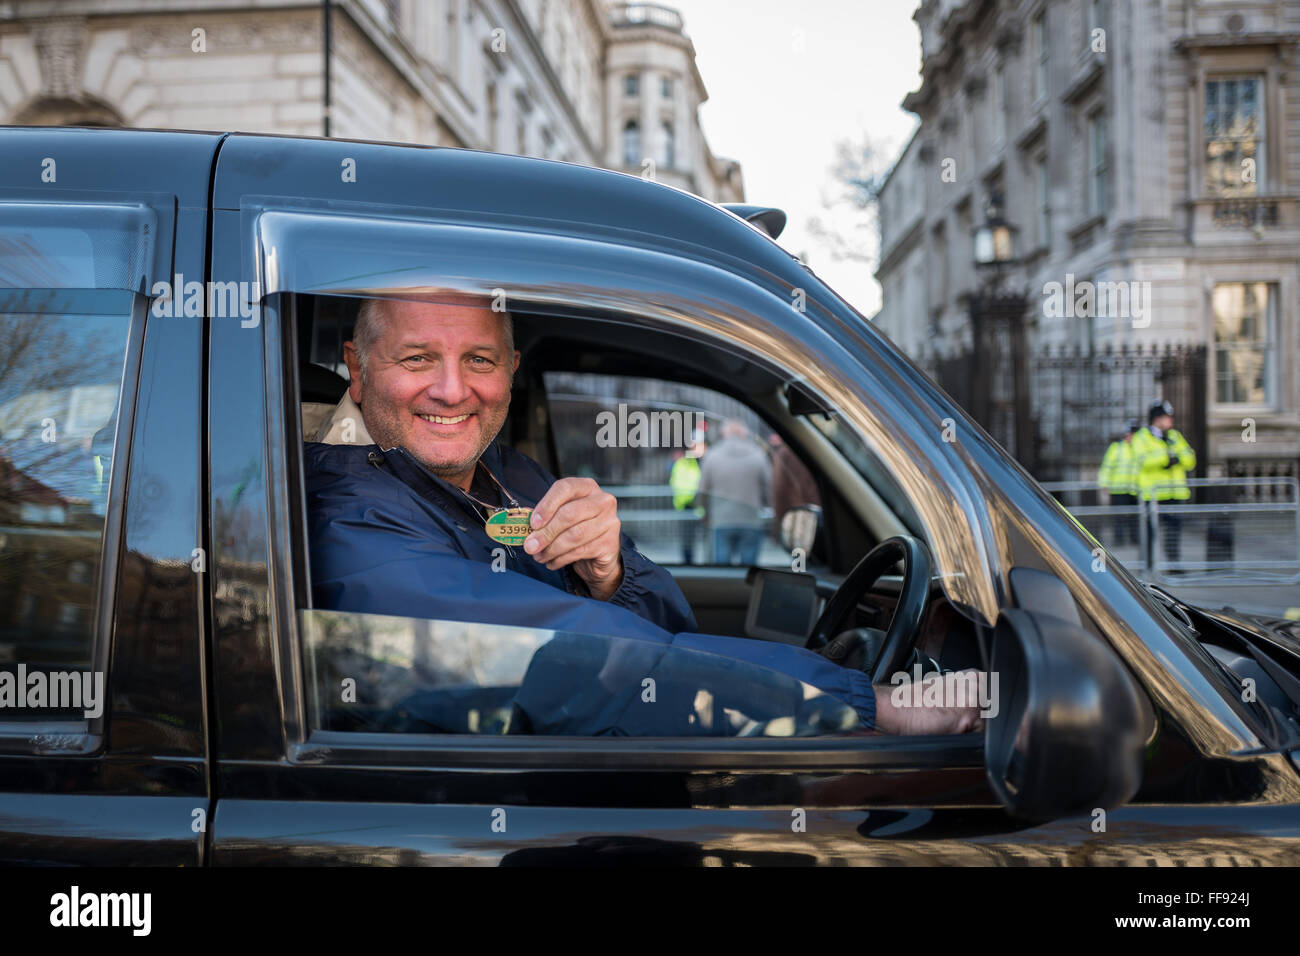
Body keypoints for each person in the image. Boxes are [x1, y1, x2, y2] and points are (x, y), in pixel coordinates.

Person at [304, 295, 980, 734]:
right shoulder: (346, 513)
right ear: (358, 372)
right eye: (417, 358)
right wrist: (866, 705)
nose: (452, 390)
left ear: (509, 370)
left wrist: (609, 571)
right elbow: (561, 657)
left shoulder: (512, 475)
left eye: (478, 360)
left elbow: (660, 629)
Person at [1131, 399, 1196, 570]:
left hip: (1175, 493)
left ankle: (1174, 564)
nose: (1170, 421)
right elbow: (1142, 460)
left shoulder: (1174, 436)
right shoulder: (1141, 437)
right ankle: (1148, 565)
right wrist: (1167, 459)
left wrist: (1177, 459)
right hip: (1153, 494)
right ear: (1157, 419)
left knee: (1174, 533)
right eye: (1167, 417)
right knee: (1149, 533)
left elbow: (1190, 459)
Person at [697, 419, 771, 566]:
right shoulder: (758, 456)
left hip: (721, 520)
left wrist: (706, 514)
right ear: (745, 434)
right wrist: (764, 506)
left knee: (722, 569)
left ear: (724, 433)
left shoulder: (712, 456)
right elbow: (768, 488)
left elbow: (702, 491)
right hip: (751, 519)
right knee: (749, 571)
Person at [1097, 418, 1139, 546]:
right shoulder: (1116, 448)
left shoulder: (1139, 448)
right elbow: (1107, 466)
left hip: (1135, 489)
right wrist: (1104, 484)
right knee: (1119, 516)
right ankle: (1119, 539)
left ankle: (1135, 539)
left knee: (1135, 516)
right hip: (1118, 489)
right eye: (1132, 433)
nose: (1134, 436)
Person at [668, 436, 705, 564]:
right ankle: (688, 561)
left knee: (703, 538)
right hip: (687, 506)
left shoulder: (702, 461)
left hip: (700, 506)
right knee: (687, 539)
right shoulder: (682, 462)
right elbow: (677, 483)